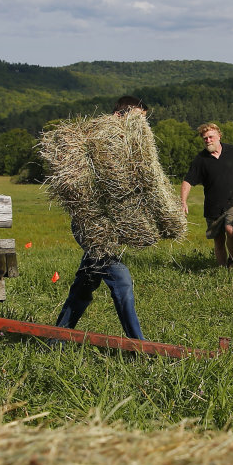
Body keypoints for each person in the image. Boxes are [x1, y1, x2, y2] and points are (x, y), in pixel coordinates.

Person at [55, 96, 150, 340]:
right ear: (120, 116)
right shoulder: (96, 140)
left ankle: (56, 338)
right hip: (92, 226)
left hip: (108, 225)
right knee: (121, 280)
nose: (143, 127)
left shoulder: (126, 148)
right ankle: (138, 346)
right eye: (138, 120)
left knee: (84, 287)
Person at [180, 123, 233, 268]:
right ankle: (221, 268)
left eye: (210, 137)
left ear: (219, 136)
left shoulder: (232, 152)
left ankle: (232, 260)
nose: (208, 140)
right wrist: (183, 201)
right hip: (212, 206)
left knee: (230, 230)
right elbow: (188, 181)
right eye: (205, 138)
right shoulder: (200, 159)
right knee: (218, 240)